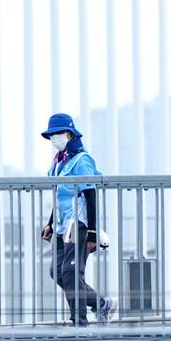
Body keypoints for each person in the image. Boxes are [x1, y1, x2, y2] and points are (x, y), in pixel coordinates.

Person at [39, 112, 114, 326]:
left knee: (71, 272)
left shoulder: (82, 160)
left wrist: (92, 231)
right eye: (51, 134)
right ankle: (102, 304)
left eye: (59, 133)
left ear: (70, 134)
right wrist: (50, 223)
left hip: (78, 224)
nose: (55, 138)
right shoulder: (58, 162)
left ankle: (79, 322)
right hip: (63, 226)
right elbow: (59, 196)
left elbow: (90, 195)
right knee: (58, 272)